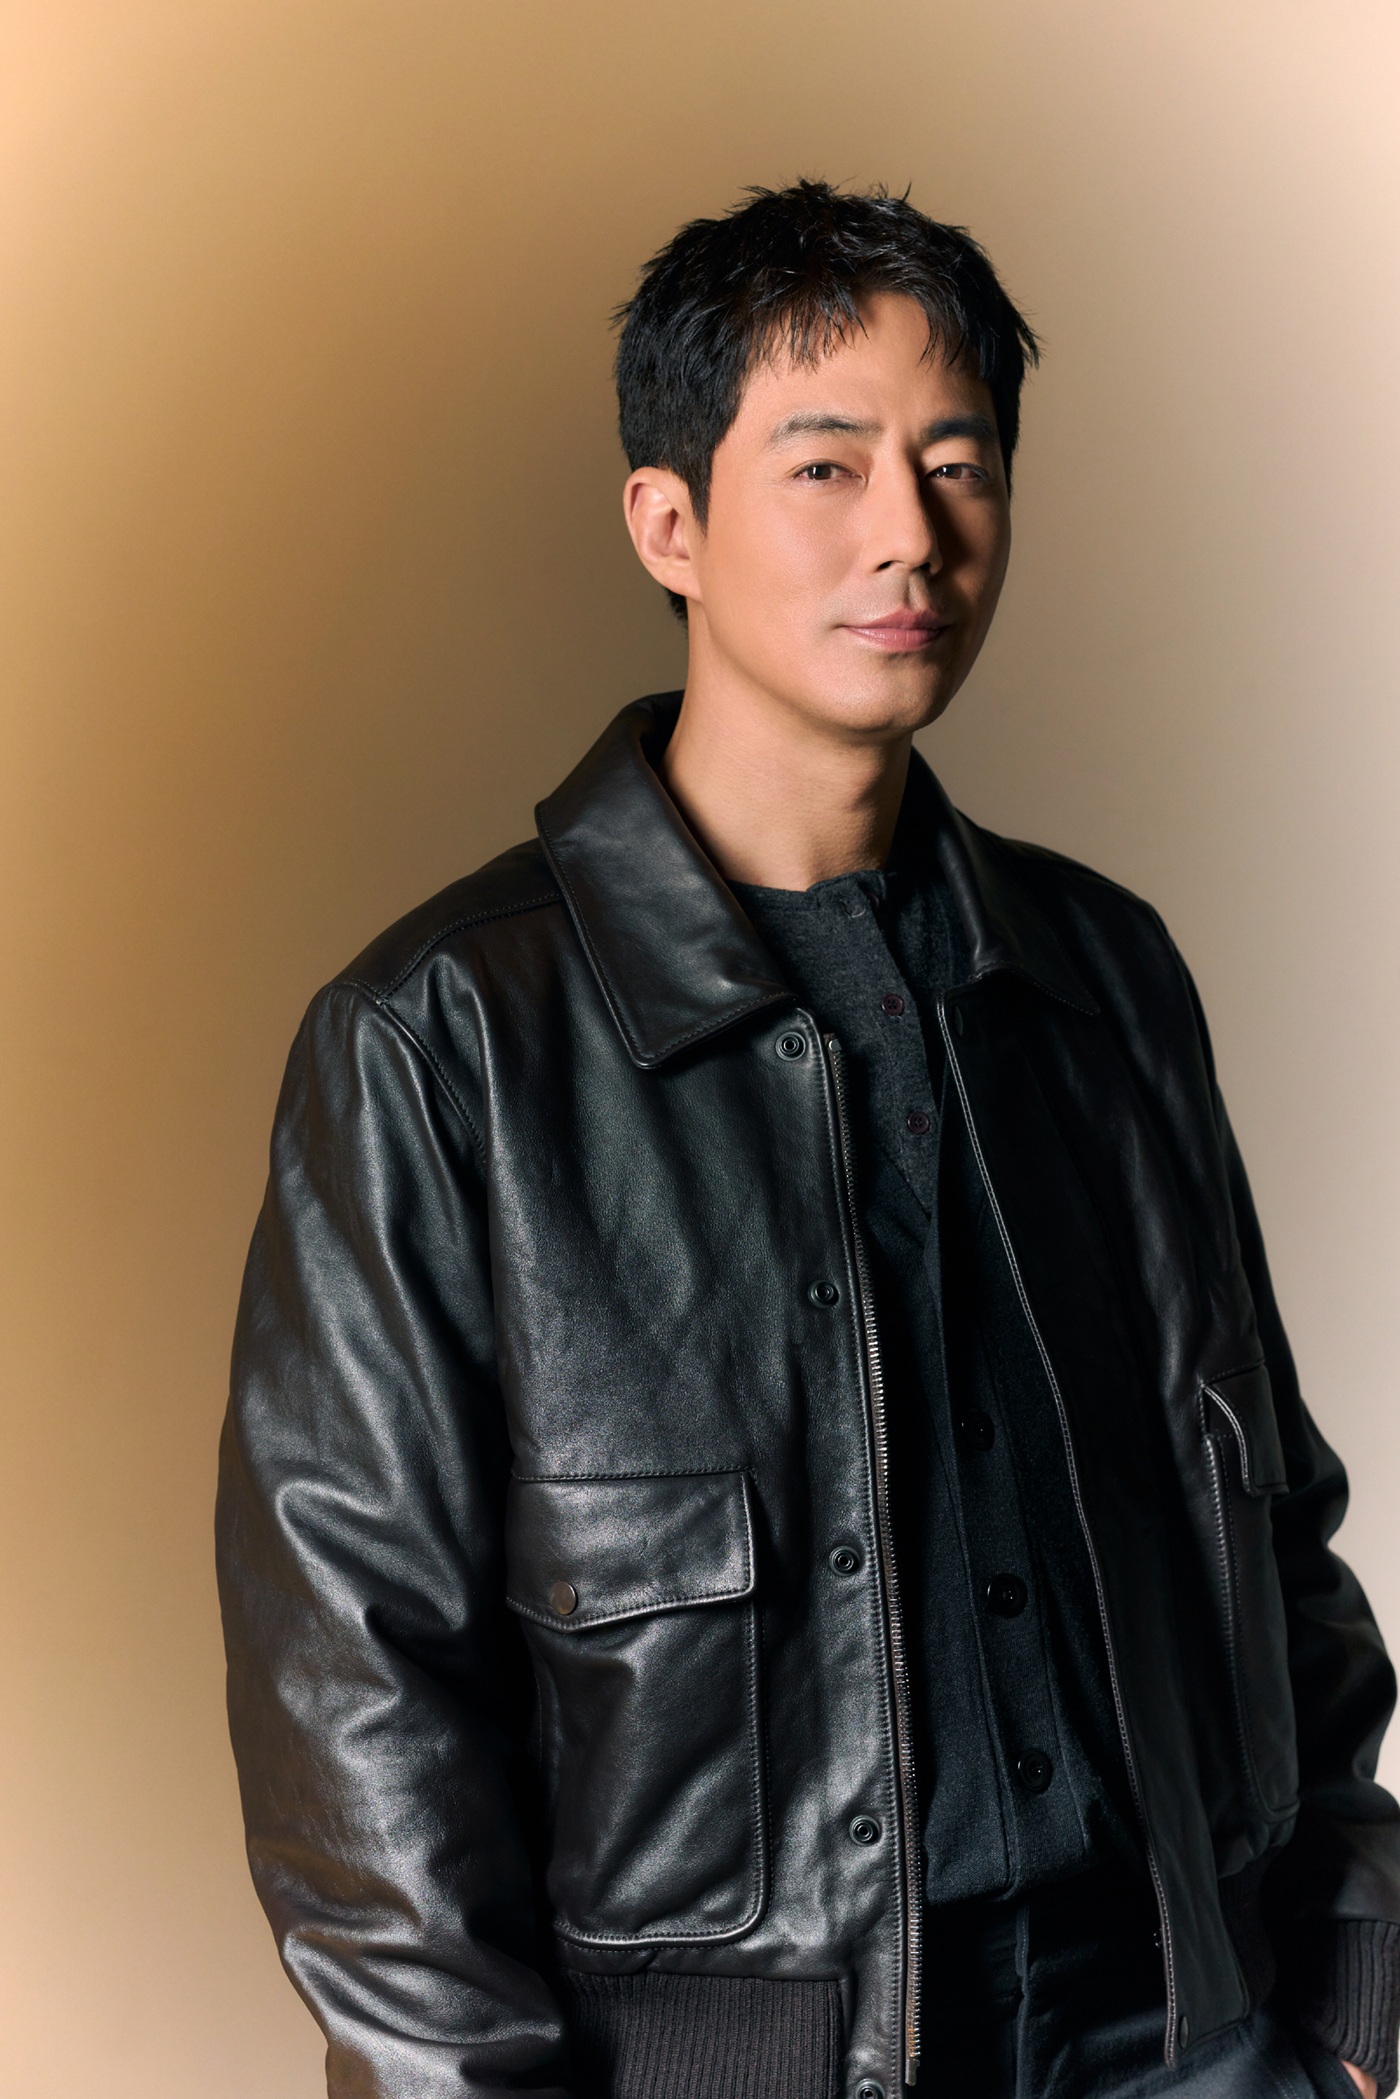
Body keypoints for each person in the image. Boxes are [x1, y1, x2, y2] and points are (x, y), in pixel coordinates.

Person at [216, 182, 1400, 2099]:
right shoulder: (442, 1040)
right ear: (668, 524)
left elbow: (1265, 1516)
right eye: (827, 467)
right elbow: (357, 1702)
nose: (910, 536)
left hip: (1183, 2031)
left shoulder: (1103, 975)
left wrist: (1346, 1993)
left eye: (960, 466)